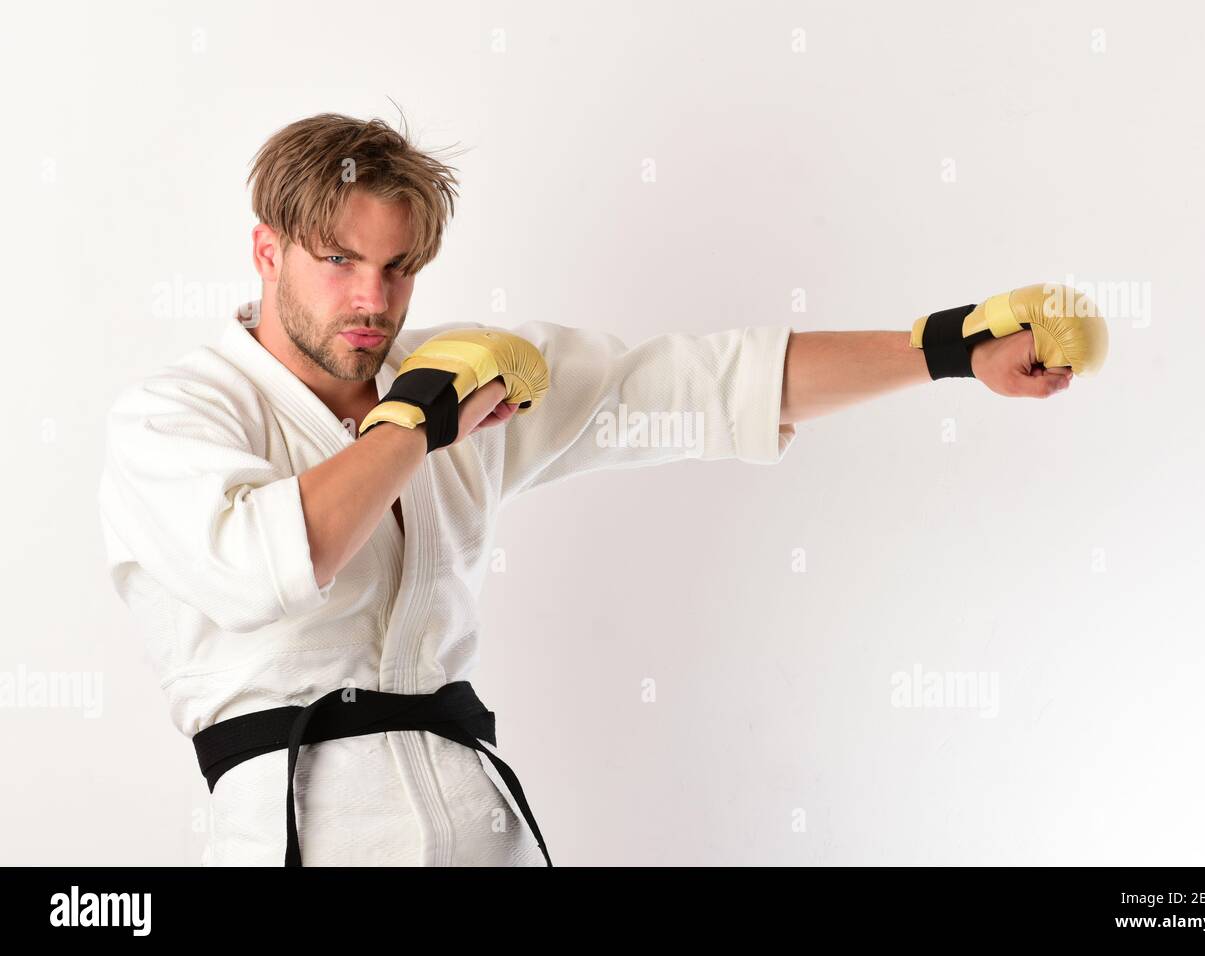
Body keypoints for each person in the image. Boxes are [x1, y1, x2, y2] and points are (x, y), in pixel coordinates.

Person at [98, 112, 1105, 867]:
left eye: (399, 267)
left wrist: (945, 349)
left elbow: (693, 382)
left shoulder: (461, 376)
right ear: (266, 249)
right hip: (299, 825)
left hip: (479, 820)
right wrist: (412, 426)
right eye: (338, 261)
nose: (373, 298)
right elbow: (267, 564)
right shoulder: (177, 416)